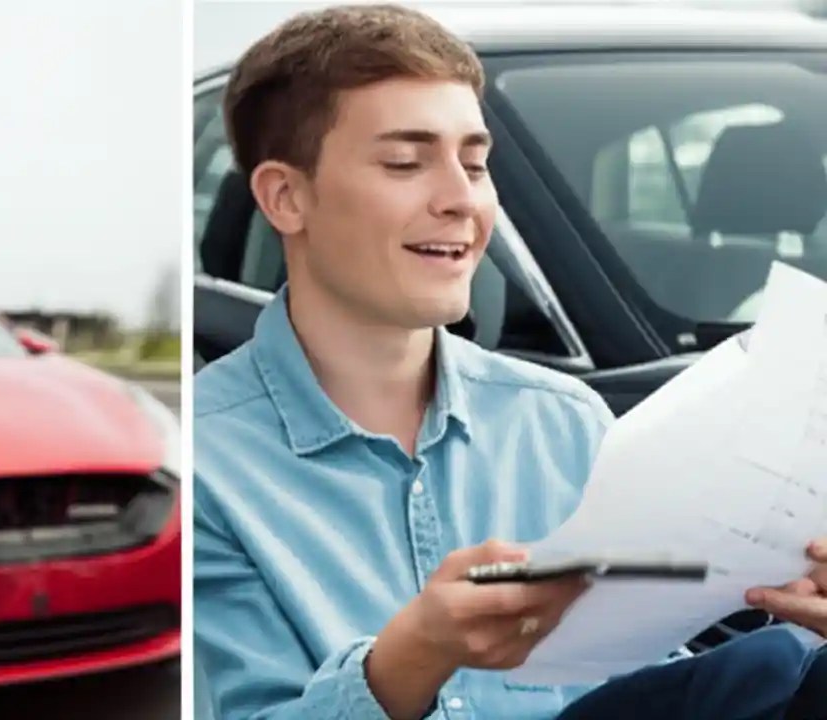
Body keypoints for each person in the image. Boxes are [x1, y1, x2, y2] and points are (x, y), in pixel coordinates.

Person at [192, 5, 827, 719]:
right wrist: (417, 653)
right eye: (406, 162)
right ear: (286, 196)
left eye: (474, 163)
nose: (462, 199)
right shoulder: (203, 468)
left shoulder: (565, 421)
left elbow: (645, 673)